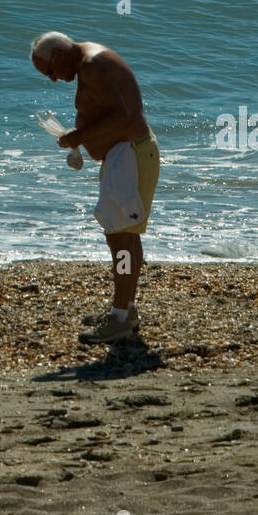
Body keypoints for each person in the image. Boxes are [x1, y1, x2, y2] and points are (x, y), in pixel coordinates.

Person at [30, 31, 160, 344]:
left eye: (50, 71)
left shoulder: (93, 64)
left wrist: (77, 136)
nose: (53, 79)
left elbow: (122, 117)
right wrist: (80, 138)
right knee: (125, 236)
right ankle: (124, 310)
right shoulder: (91, 61)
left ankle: (120, 316)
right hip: (129, 154)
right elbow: (109, 113)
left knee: (120, 239)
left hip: (130, 154)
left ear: (60, 54)